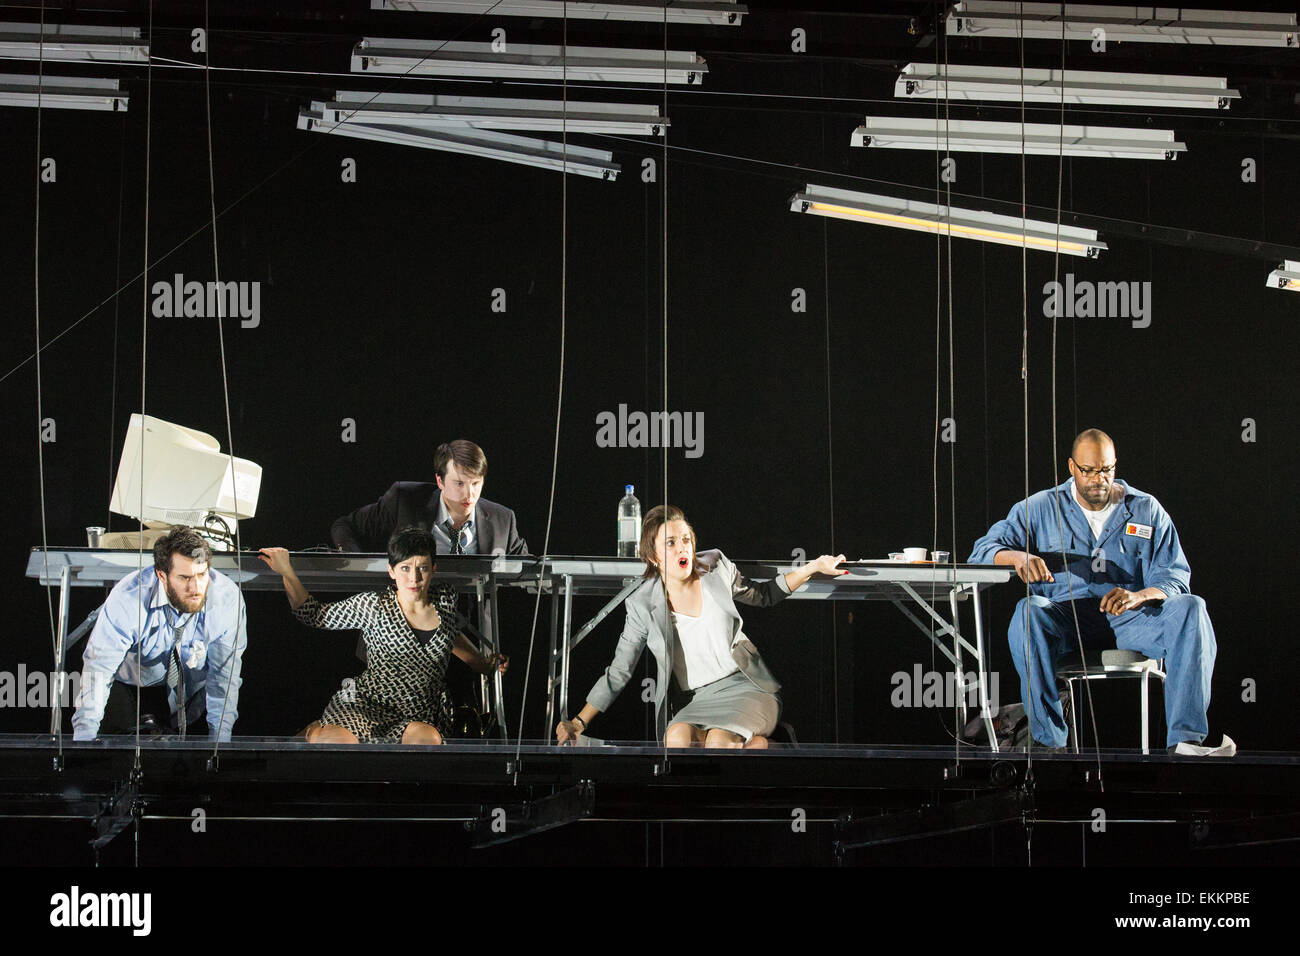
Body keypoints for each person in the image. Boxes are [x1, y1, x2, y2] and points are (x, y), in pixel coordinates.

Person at [968, 428, 1219, 753]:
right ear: (1072, 467)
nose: (1098, 479)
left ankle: (1185, 742)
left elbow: (1175, 578)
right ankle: (1050, 743)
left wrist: (1140, 596)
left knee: (1191, 607)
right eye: (1088, 470)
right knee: (1028, 612)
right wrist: (1016, 555)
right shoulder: (1043, 507)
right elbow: (982, 551)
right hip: (1068, 620)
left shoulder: (1145, 509)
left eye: (1106, 470)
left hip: (1132, 621)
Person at [556, 505, 845, 749]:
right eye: (670, 543)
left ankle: (757, 752)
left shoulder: (716, 567)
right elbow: (620, 670)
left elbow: (763, 595)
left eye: (686, 539)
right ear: (653, 557)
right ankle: (753, 749)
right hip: (699, 698)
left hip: (746, 686)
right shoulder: (642, 603)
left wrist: (811, 568)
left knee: (718, 742)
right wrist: (579, 721)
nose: (682, 547)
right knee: (676, 738)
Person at [259, 527, 507, 744]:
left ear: (433, 568)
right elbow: (313, 614)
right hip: (366, 704)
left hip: (419, 712)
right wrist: (286, 571)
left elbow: (448, 635)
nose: (414, 578)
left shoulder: (445, 599)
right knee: (338, 743)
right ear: (392, 571)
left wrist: (483, 664)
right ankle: (313, 731)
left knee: (427, 742)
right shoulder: (373, 605)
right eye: (405, 568)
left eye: (422, 568)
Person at [72, 527, 248, 741]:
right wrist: (84, 738)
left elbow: (223, 677)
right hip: (133, 686)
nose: (196, 587)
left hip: (190, 691)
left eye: (202, 575)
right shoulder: (129, 597)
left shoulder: (226, 599)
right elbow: (99, 670)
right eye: (184, 578)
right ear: (162, 575)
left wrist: (220, 744)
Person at [330, 440, 527, 557]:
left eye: (475, 483)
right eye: (459, 484)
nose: (469, 494)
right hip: (409, 620)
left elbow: (533, 571)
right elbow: (345, 525)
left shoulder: (503, 519)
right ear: (440, 481)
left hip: (475, 624)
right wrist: (360, 567)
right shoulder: (405, 501)